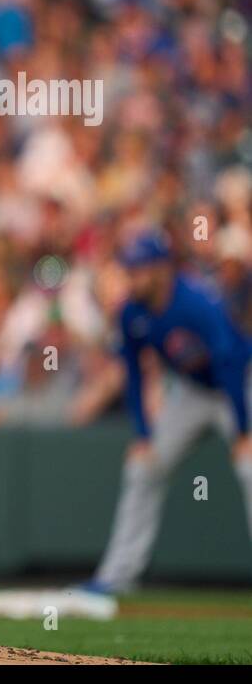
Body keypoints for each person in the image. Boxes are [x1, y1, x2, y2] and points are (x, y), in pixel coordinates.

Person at [85, 230, 252, 593]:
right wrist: (143, 435)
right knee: (142, 467)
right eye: (129, 269)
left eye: (139, 268)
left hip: (239, 384)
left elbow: (228, 363)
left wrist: (242, 431)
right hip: (193, 392)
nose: (132, 276)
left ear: (161, 269)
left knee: (249, 466)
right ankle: (117, 577)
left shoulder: (197, 302)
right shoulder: (132, 311)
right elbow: (132, 373)